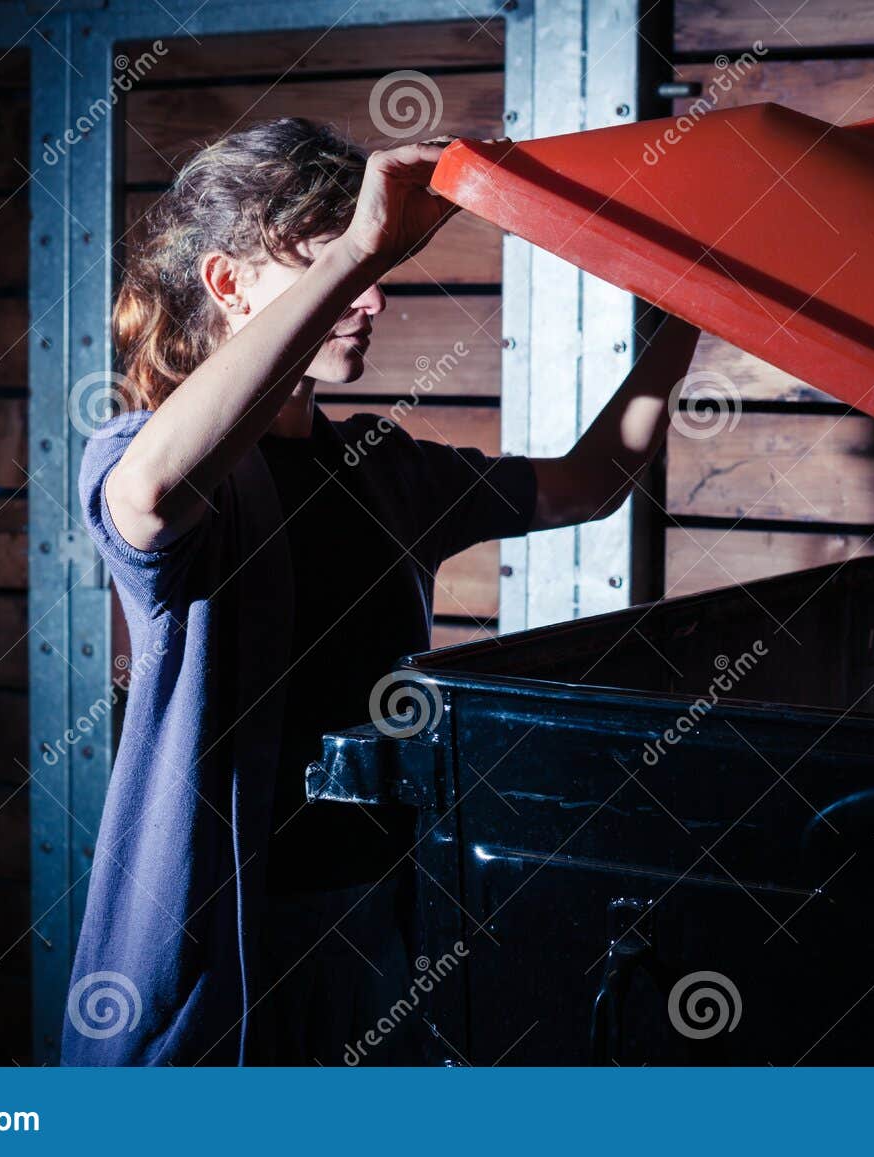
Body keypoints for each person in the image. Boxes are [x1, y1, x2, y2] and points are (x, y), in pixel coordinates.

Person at [61, 117, 701, 1065]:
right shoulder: (138, 454)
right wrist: (363, 245)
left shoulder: (380, 469)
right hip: (217, 952)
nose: (373, 297)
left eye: (369, 273)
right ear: (229, 285)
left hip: (382, 932)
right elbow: (153, 495)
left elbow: (590, 480)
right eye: (335, 268)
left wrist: (690, 314)